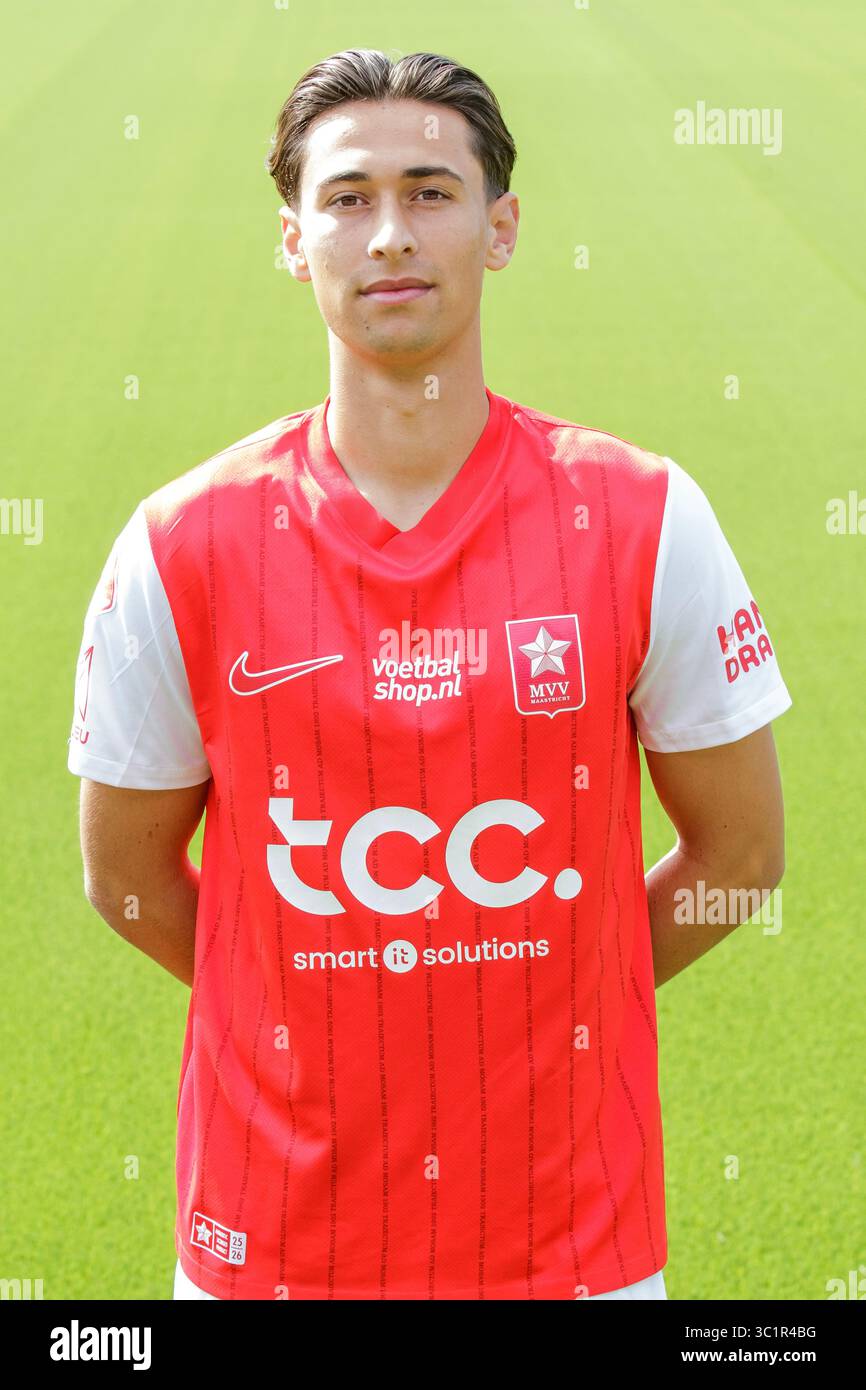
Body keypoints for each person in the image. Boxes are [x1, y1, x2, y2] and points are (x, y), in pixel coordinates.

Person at [68, 48, 791, 1301]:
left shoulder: (642, 516)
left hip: (570, 1247)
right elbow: (125, 879)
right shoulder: (181, 544)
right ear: (293, 240)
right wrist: (318, 1001)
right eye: (347, 199)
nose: (388, 234)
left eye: (430, 191)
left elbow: (738, 861)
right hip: (270, 1246)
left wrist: (560, 987)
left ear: (499, 228)